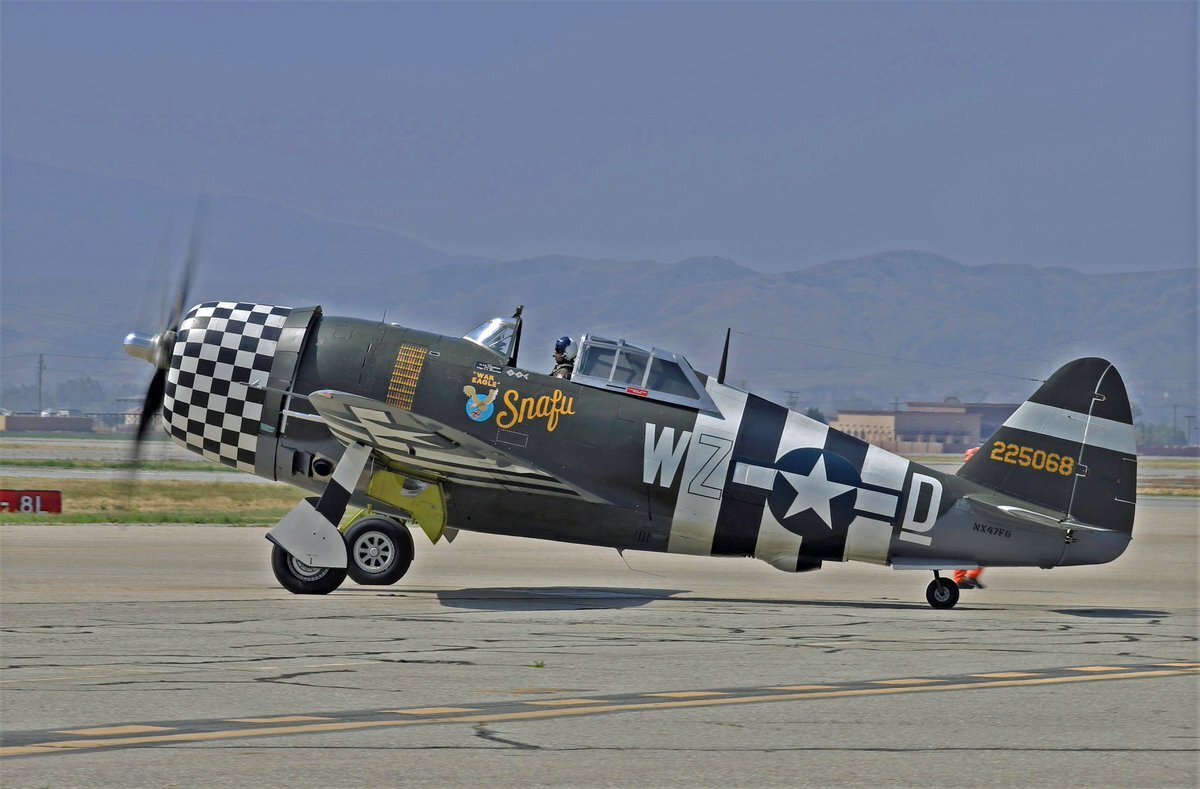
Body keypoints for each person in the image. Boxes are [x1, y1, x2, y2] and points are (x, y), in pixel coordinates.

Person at [955, 444, 985, 589]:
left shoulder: (964, 473)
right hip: (973, 515)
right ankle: (965, 578)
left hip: (968, 515)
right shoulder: (982, 475)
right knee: (985, 547)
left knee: (967, 549)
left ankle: (967, 577)